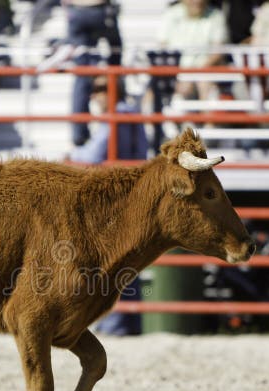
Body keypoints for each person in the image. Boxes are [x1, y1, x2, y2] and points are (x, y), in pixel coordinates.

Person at [70, 76, 147, 336]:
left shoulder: (115, 119)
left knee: (109, 262)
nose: (94, 96)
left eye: (99, 89)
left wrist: (72, 156)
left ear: (112, 91)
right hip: (133, 196)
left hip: (114, 200)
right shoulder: (133, 115)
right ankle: (128, 320)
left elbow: (94, 155)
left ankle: (113, 323)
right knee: (129, 260)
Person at [62, 0, 121, 148]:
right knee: (115, 67)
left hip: (76, 11)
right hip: (99, 11)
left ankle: (79, 134)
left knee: (82, 75)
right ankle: (119, 127)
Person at [158, 0, 228, 101]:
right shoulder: (171, 14)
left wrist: (195, 72)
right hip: (176, 72)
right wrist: (176, 75)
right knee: (154, 91)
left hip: (205, 70)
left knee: (205, 84)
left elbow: (217, 52)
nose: (197, 1)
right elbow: (163, 49)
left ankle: (206, 111)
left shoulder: (216, 16)